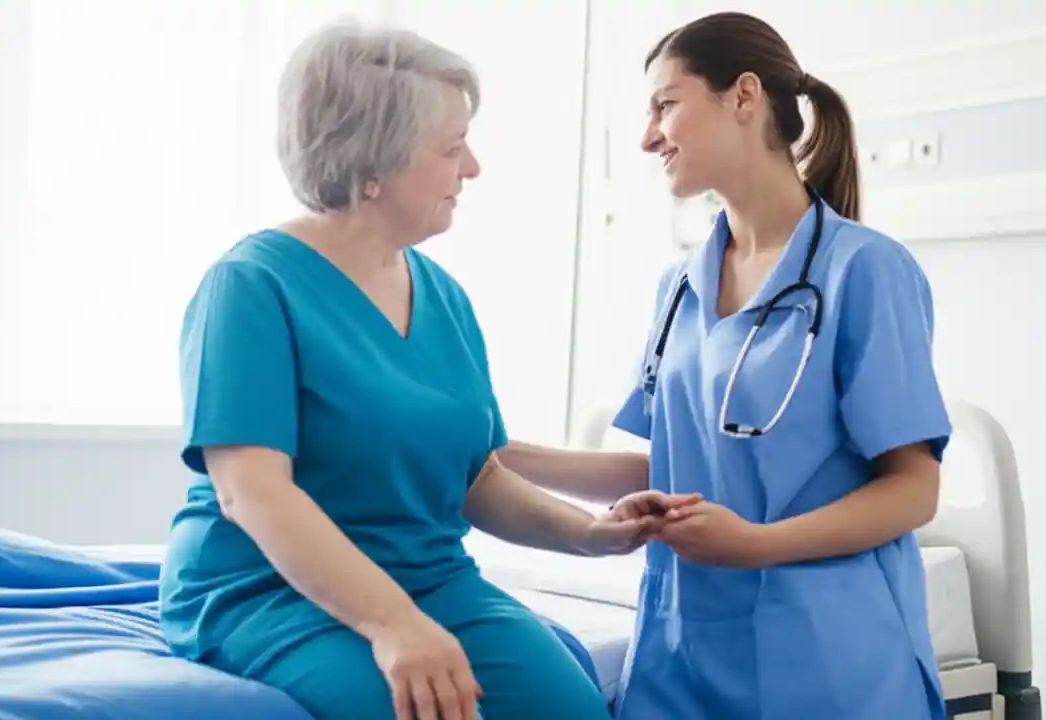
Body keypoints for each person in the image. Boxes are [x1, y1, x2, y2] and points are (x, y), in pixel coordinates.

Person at [157, 19, 688, 720]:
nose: (472, 168)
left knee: (574, 708)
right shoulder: (251, 287)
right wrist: (394, 627)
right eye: (452, 147)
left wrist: (590, 534)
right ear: (373, 165)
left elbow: (477, 478)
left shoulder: (442, 295)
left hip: (430, 579)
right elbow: (253, 496)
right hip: (269, 589)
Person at [502, 11, 952, 720]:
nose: (650, 136)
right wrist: (498, 455)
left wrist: (755, 545)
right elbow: (675, 467)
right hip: (682, 653)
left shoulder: (865, 271)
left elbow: (913, 490)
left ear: (743, 97)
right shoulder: (680, 285)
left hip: (825, 656)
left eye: (665, 105)